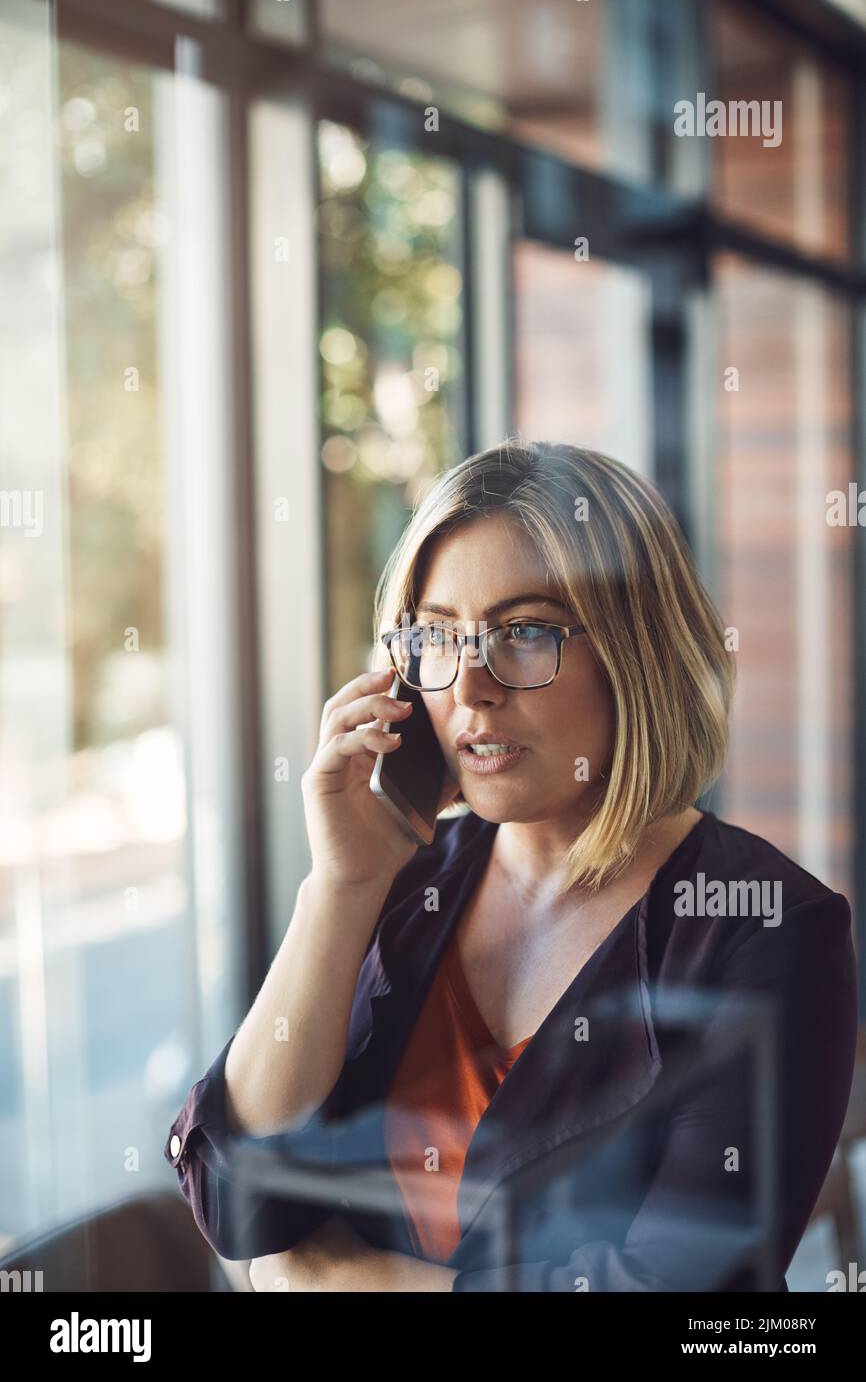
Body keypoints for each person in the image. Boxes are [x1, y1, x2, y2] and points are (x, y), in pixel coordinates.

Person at [165, 439, 858, 1292]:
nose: (471, 687)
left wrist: (348, 1281)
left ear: (636, 654)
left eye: (524, 632)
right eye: (436, 637)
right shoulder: (403, 878)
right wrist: (340, 888)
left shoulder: (767, 929)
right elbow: (238, 1207)